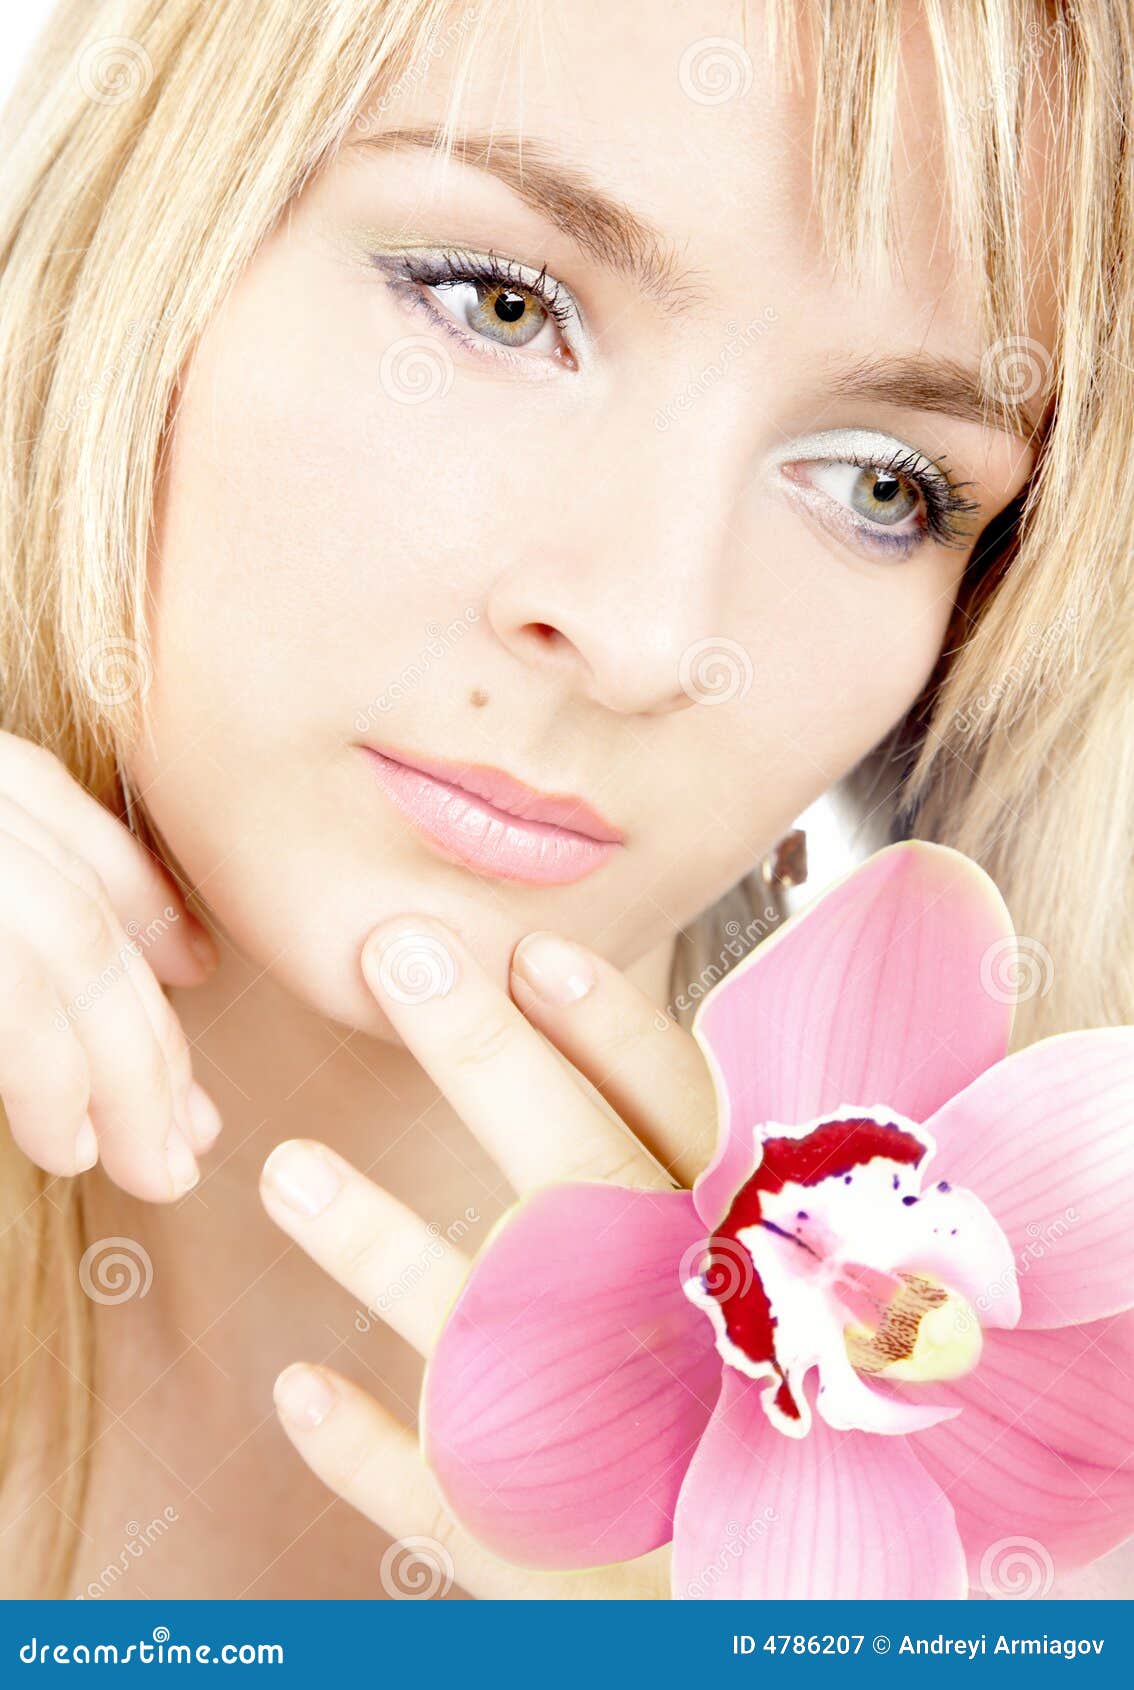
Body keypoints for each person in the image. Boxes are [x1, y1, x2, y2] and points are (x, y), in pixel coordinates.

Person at [0, 0, 1129, 1599]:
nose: (649, 635)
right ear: (147, 223)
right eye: (501, 304)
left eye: (882, 479)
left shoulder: (1035, 1585)